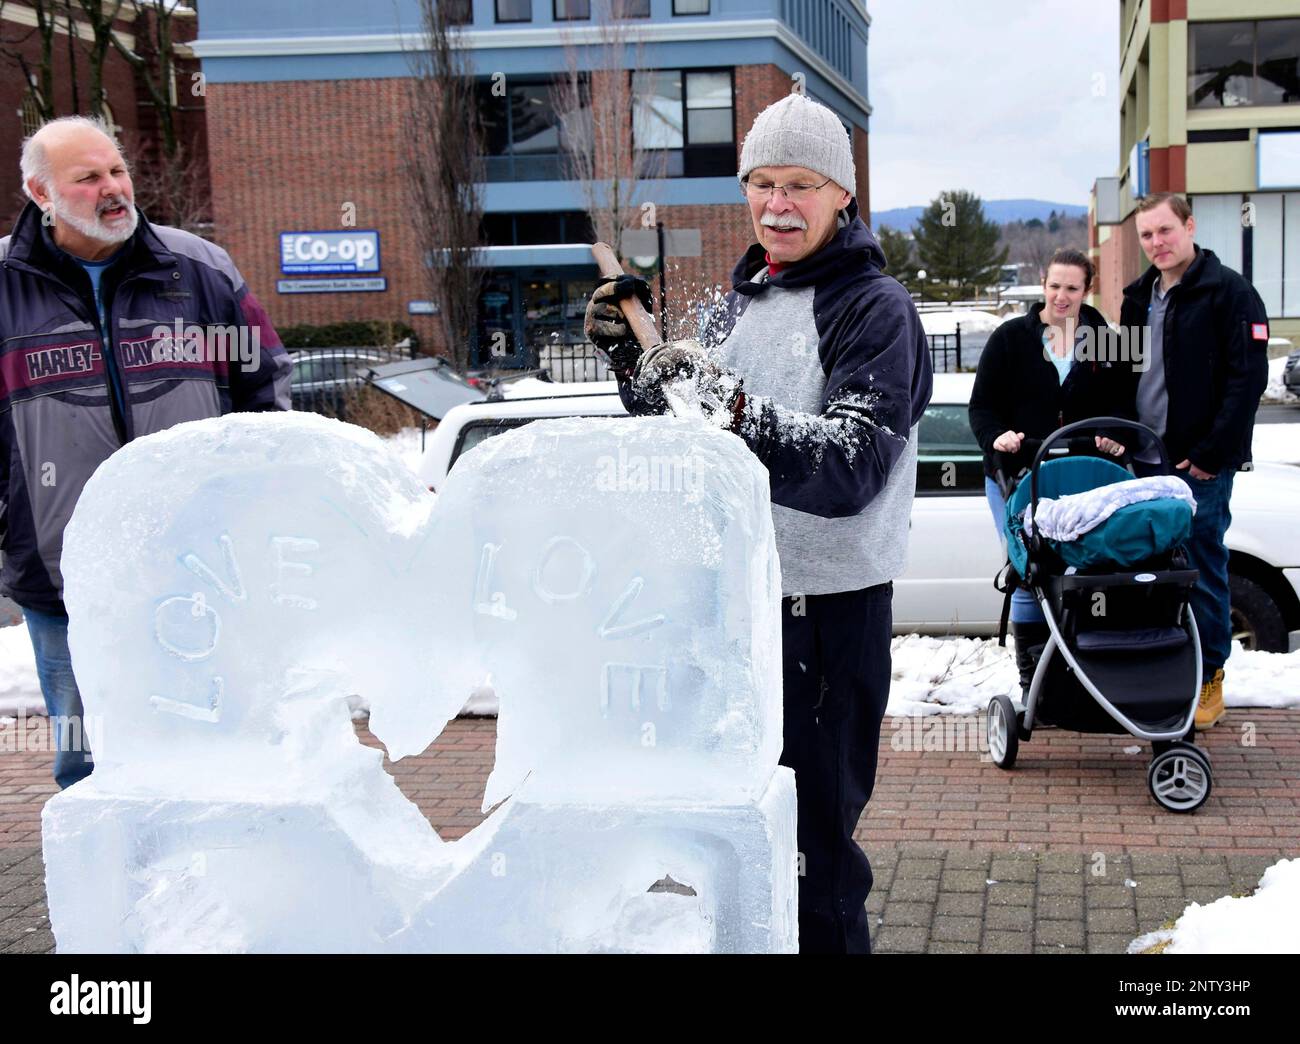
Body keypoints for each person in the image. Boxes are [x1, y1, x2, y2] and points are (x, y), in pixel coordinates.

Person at [585, 92, 933, 953]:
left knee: (815, 854)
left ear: (842, 195)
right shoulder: (742, 299)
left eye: (801, 185)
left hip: (826, 618)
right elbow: (696, 440)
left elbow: (850, 463)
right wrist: (638, 370)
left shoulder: (873, 308)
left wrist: (726, 404)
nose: (778, 205)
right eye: (762, 183)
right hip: (740, 608)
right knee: (741, 835)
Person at [0, 116, 292, 788]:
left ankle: (203, 890)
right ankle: (112, 891)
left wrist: (250, 507)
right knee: (88, 760)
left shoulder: (198, 270)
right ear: (41, 193)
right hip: (61, 580)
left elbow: (264, 390)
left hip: (198, 570)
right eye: (89, 178)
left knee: (210, 744)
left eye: (117, 171)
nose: (113, 189)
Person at [1120, 192, 1269, 730]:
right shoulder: (1138, 297)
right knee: (1146, 571)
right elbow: (1126, 372)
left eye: (1165, 231)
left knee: (1200, 566)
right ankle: (1161, 669)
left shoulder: (1229, 293)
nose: (1156, 243)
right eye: (1146, 236)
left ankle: (1210, 677)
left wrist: (1211, 455)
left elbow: (1247, 381)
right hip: (1144, 456)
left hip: (1198, 465)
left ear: (1189, 226)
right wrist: (1118, 431)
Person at [968, 248, 1130, 695]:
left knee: (1088, 571)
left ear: (1086, 290)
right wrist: (997, 436)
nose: (1061, 296)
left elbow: (1123, 404)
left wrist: (1116, 434)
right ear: (1043, 284)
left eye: (1072, 288)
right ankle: (1034, 683)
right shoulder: (1009, 338)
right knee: (1029, 569)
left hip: (1085, 476)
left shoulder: (1107, 340)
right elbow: (982, 407)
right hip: (1019, 474)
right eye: (1055, 285)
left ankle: (1090, 672)